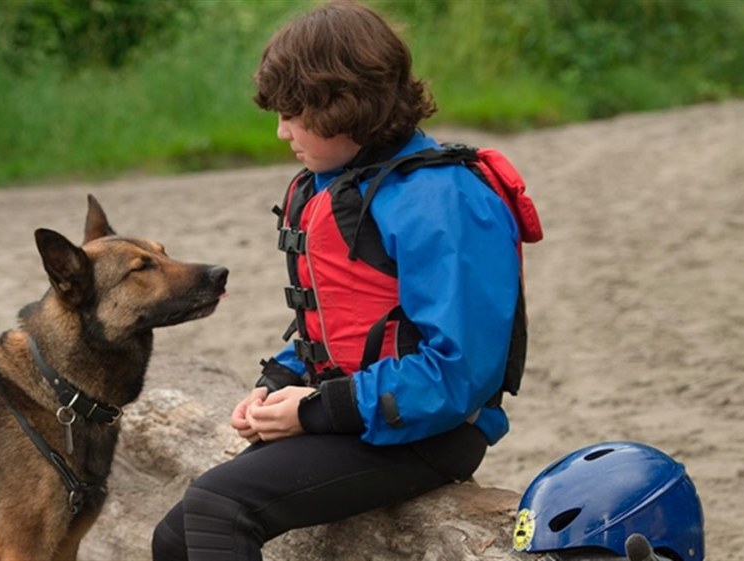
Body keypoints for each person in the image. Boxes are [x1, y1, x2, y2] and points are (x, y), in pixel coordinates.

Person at [151, 1, 533, 559]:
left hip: (432, 432)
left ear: (344, 106)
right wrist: (280, 382)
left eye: (294, 113)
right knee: (176, 537)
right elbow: (346, 326)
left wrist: (313, 411)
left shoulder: (443, 200)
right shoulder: (345, 182)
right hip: (356, 414)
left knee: (220, 506)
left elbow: (459, 374)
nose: (281, 131)